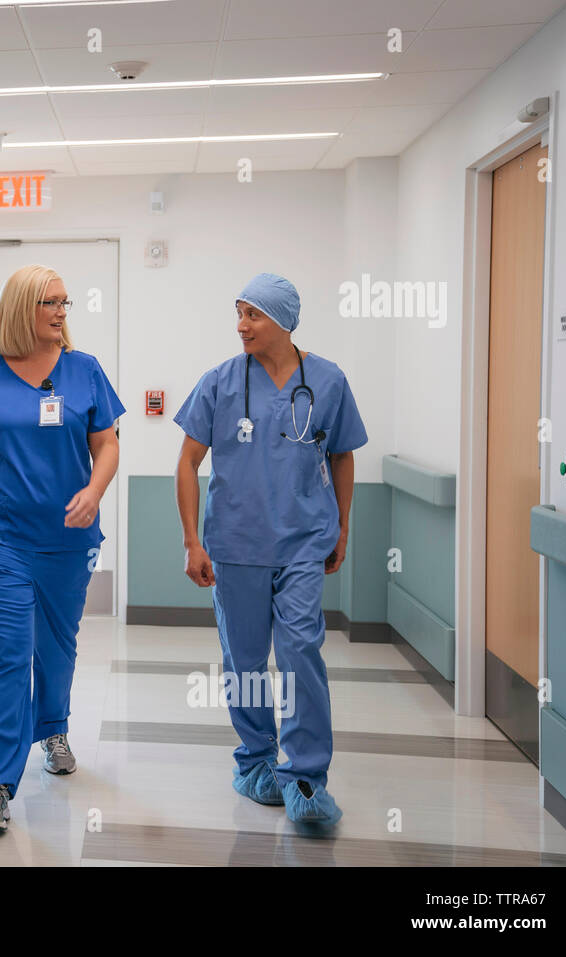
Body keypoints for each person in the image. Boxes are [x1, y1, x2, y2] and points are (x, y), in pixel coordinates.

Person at [0, 264, 126, 834]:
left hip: (68, 540)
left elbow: (107, 444)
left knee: (57, 645)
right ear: (22, 309)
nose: (63, 311)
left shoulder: (84, 371)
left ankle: (54, 728)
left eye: (65, 301)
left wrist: (93, 490)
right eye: (50, 303)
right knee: (7, 653)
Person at [173, 272, 367, 827]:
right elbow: (187, 462)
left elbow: (344, 455)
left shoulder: (327, 381)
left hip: (305, 540)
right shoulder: (221, 381)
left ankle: (305, 775)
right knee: (247, 661)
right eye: (238, 313)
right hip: (235, 544)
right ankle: (256, 759)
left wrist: (343, 529)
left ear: (283, 320)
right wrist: (192, 541)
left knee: (303, 647)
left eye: (252, 315)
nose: (241, 326)